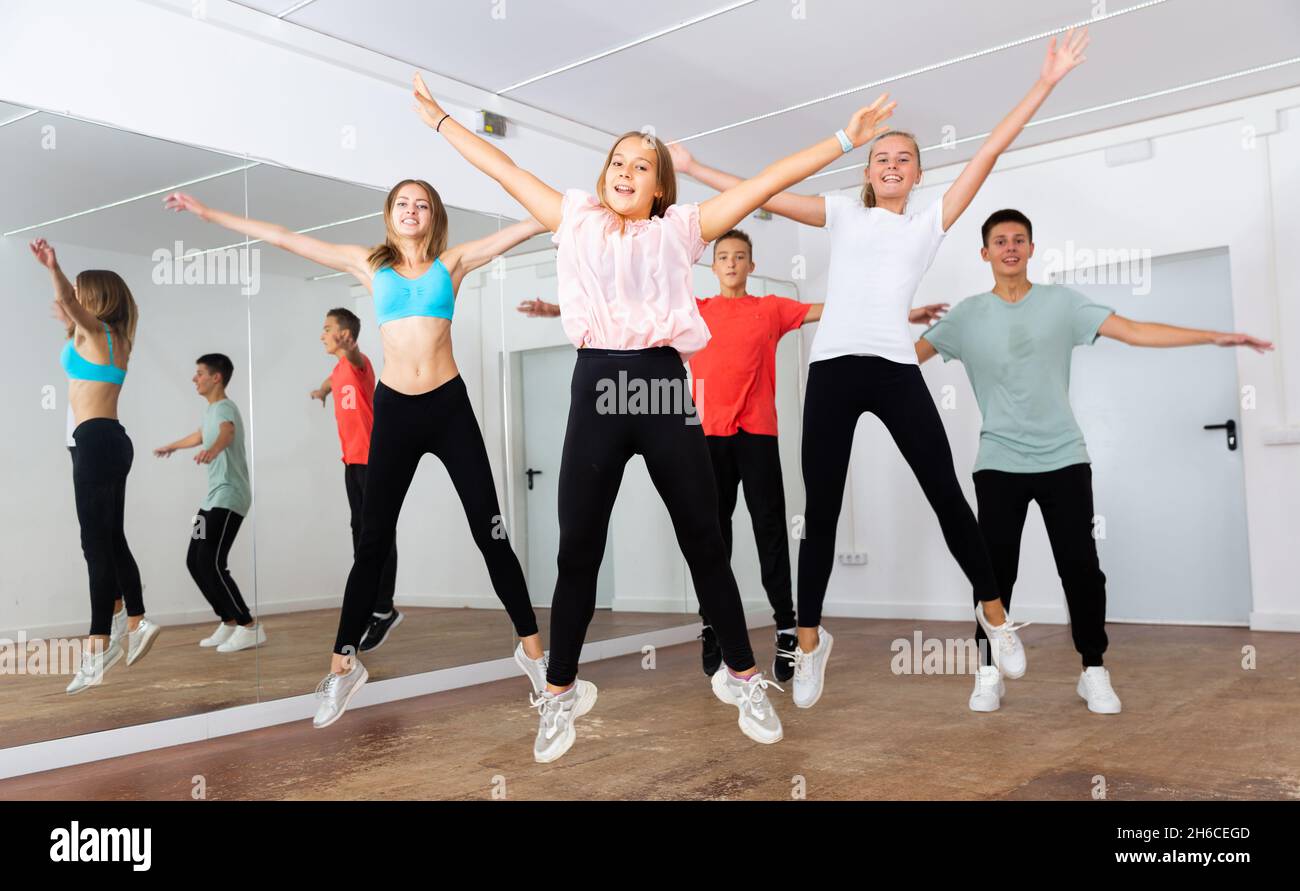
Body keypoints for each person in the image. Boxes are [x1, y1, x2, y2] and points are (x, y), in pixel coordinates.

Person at [414, 69, 897, 761]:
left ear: (660, 186)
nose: (625, 171)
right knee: (577, 546)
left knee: (704, 538)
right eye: (617, 161)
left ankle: (743, 676)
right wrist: (440, 121)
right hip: (597, 386)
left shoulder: (683, 230)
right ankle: (558, 694)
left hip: (664, 384)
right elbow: (501, 165)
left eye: (641, 165)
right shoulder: (572, 218)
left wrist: (845, 138)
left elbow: (763, 182)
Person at [673, 28, 1093, 709]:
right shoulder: (842, 214)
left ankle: (993, 612)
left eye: (904, 157)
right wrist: (696, 169)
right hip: (836, 370)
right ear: (868, 173)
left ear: (918, 173)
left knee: (948, 496)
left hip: (896, 368)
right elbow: (766, 194)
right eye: (881, 157)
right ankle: (809, 643)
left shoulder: (925, 225)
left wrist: (1045, 81)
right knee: (824, 511)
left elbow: (988, 152)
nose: (892, 163)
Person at [165, 181, 548, 729]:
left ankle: (535, 658)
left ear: (432, 214)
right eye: (402, 204)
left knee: (490, 531)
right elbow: (283, 237)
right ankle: (343, 667)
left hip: (449, 406)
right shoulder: (370, 264)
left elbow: (533, 222)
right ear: (389, 216)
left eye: (421, 204)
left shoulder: (453, 262)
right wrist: (210, 213)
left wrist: (580, 203)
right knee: (371, 542)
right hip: (396, 410)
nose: (411, 211)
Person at [520, 228, 945, 683]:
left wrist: (906, 312)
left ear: (750, 266)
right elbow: (625, 310)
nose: (731, 263)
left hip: (758, 434)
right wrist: (557, 310)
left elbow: (838, 311)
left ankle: (786, 627)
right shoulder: (696, 311)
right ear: (714, 264)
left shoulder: (771, 309)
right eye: (723, 256)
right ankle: (713, 628)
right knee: (711, 539)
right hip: (706, 438)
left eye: (740, 256)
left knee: (770, 532)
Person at [917, 208, 1273, 714]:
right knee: (993, 574)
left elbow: (1134, 330)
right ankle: (989, 672)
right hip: (997, 461)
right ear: (985, 253)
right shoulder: (966, 316)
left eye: (1019, 239)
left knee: (1081, 568)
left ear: (1031, 249)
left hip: (1064, 457)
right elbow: (901, 362)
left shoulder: (1062, 304)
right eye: (1000, 241)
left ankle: (1093, 670)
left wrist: (1215, 336)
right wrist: (897, 316)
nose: (1010, 247)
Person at [29, 238, 159, 693]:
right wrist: (68, 314)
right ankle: (134, 619)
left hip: (97, 442)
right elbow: (70, 317)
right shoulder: (114, 338)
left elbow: (66, 299)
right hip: (106, 441)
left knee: (95, 547)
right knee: (109, 538)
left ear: (96, 299)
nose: (74, 302)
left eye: (83, 295)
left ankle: (97, 645)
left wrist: (54, 266)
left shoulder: (97, 332)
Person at [155, 354, 262, 653]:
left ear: (216, 378)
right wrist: (172, 447)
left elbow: (226, 433)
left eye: (199, 373)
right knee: (194, 560)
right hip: (212, 499)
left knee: (213, 561)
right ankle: (228, 621)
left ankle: (249, 626)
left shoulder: (226, 408)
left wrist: (213, 451)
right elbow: (201, 435)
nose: (194, 378)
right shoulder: (210, 411)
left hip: (230, 496)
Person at [309, 308, 401, 652]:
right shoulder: (337, 369)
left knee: (378, 533)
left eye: (327, 328)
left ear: (345, 334)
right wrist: (322, 392)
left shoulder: (358, 363)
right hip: (352, 462)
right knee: (359, 532)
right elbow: (333, 380)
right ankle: (367, 604)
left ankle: (383, 609)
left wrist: (349, 347)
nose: (322, 334)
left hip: (374, 461)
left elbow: (354, 358)